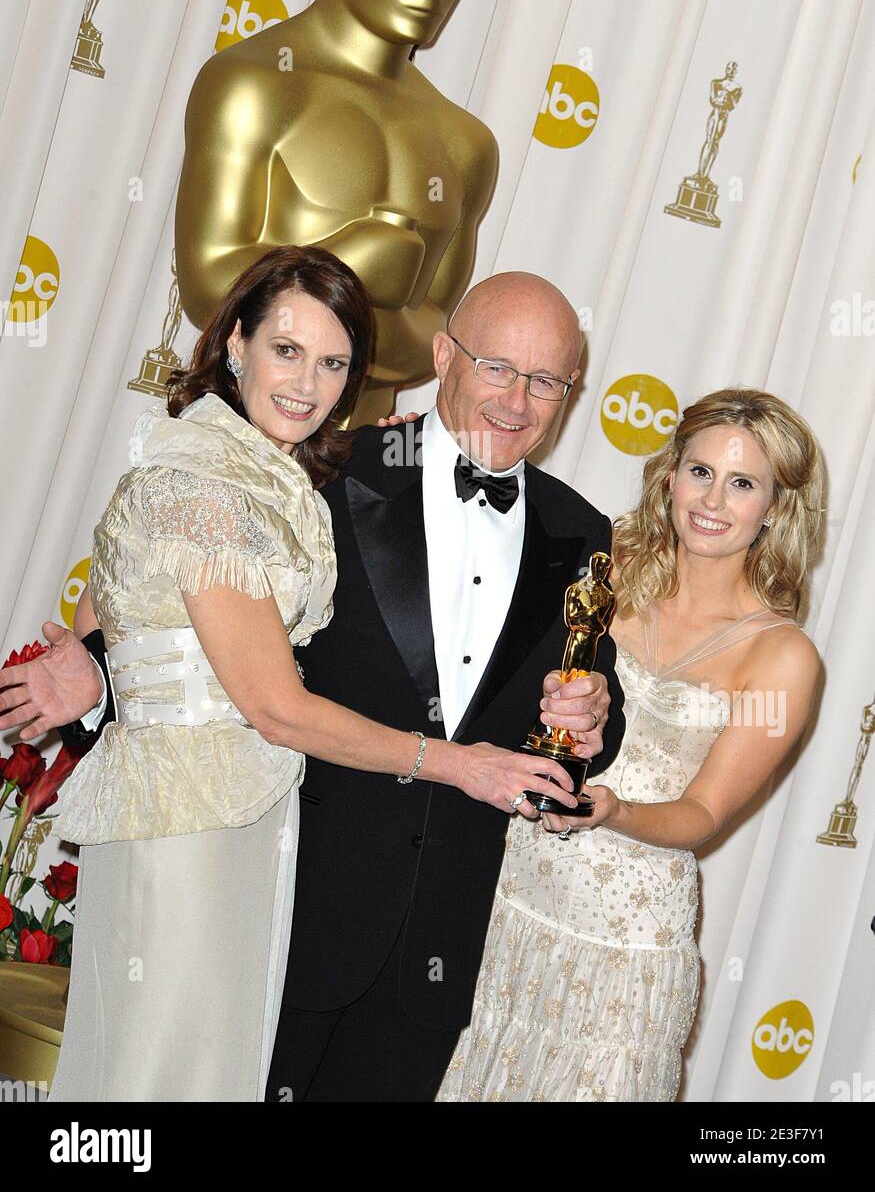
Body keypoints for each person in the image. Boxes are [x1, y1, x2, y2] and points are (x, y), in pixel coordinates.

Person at [0, 249, 591, 1102]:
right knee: (170, 1073)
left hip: (371, 906)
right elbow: (272, 701)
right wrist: (101, 669)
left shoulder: (294, 471)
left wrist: (591, 722)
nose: (515, 397)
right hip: (234, 848)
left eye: (332, 363)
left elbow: (131, 596)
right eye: (497, 365)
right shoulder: (320, 474)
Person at [437, 388, 824, 1102]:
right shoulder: (601, 565)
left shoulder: (781, 657)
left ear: (774, 506)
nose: (712, 499)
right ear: (670, 473)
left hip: (621, 943)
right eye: (699, 470)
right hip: (499, 891)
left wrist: (611, 812)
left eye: (742, 483)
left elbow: (703, 816)